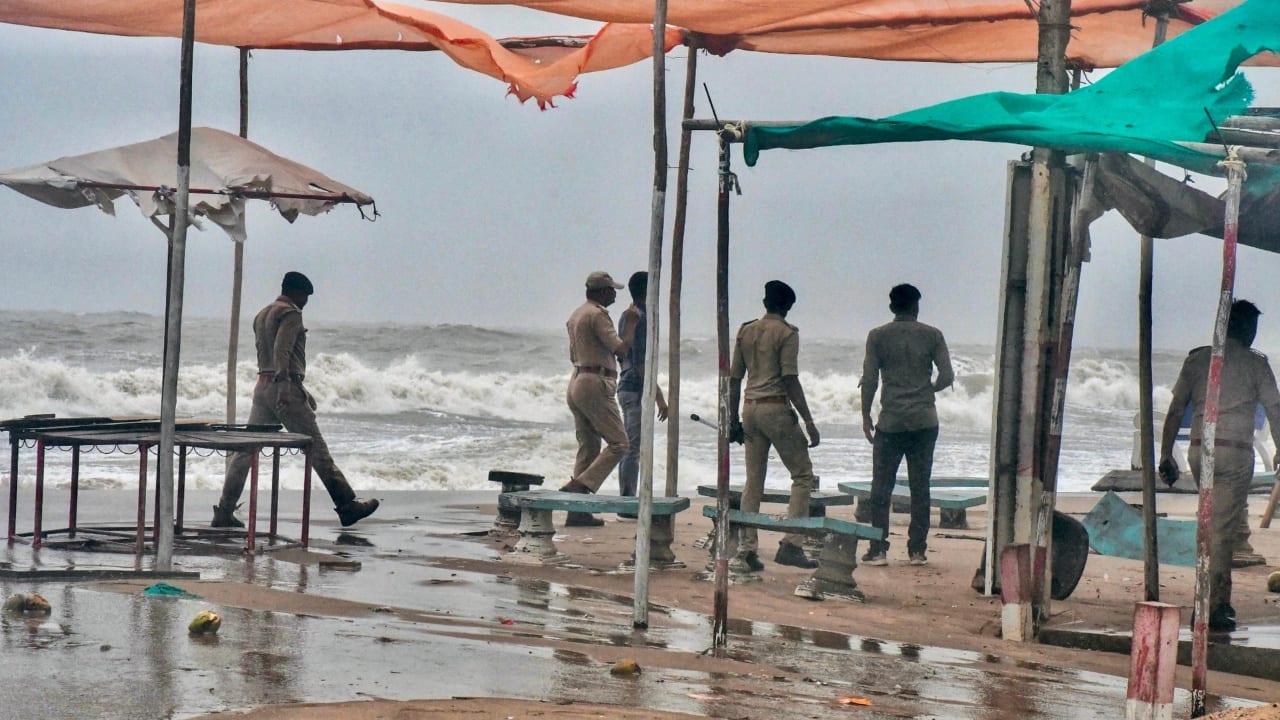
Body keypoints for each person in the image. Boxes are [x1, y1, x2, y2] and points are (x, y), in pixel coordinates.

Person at [213, 272, 379, 529]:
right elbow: (283, 350)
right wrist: (286, 386)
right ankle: (347, 505)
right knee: (316, 448)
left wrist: (296, 388)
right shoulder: (291, 314)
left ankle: (224, 511)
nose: (306, 303)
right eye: (306, 297)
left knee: (245, 451)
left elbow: (266, 354)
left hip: (262, 387)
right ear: (296, 292)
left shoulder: (262, 313)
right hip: (283, 388)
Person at [1158, 299, 1280, 632]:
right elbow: (1275, 409)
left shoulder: (1199, 359)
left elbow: (1174, 409)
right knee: (1221, 533)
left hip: (1200, 452)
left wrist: (1166, 453)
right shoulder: (1257, 365)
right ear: (1246, 329)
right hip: (1235, 453)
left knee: (1212, 524)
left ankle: (1210, 599)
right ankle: (1212, 605)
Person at [727, 280, 820, 571]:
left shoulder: (746, 330)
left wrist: (732, 420)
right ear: (788, 306)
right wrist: (808, 420)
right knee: (803, 475)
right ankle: (792, 543)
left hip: (750, 409)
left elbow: (734, 379)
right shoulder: (787, 333)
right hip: (775, 408)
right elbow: (790, 378)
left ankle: (746, 549)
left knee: (753, 481)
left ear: (765, 302)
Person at [859, 283, 954, 567]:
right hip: (925, 422)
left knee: (881, 487)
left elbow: (870, 380)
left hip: (891, 423)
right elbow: (947, 375)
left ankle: (878, 548)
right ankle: (917, 550)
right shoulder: (933, 335)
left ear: (891, 307)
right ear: (916, 307)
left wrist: (865, 415)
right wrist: (928, 391)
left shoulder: (877, 336)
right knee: (920, 487)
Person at [562, 270, 639, 527]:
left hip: (577, 379)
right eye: (612, 291)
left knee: (589, 446)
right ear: (603, 291)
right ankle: (580, 486)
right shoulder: (597, 314)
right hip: (596, 381)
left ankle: (577, 511)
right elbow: (620, 348)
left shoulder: (577, 313)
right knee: (619, 443)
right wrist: (630, 325)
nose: (615, 295)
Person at [616, 271, 668, 516]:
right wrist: (659, 397)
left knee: (632, 446)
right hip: (635, 387)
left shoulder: (628, 315)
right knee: (632, 446)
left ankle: (629, 498)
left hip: (627, 384)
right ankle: (627, 503)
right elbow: (640, 361)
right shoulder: (641, 318)